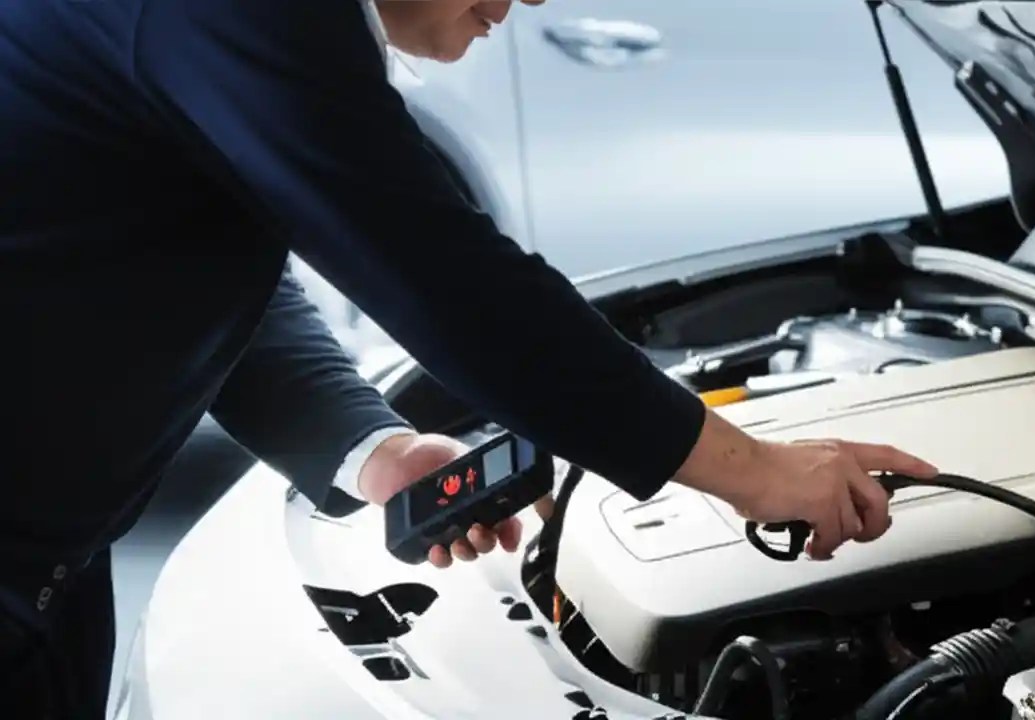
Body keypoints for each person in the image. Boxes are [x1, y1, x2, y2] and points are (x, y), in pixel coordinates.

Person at [0, 0, 937, 717]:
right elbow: (452, 280)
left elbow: (201, 256)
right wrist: (755, 473)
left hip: (56, 576)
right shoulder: (232, 14)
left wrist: (373, 447)